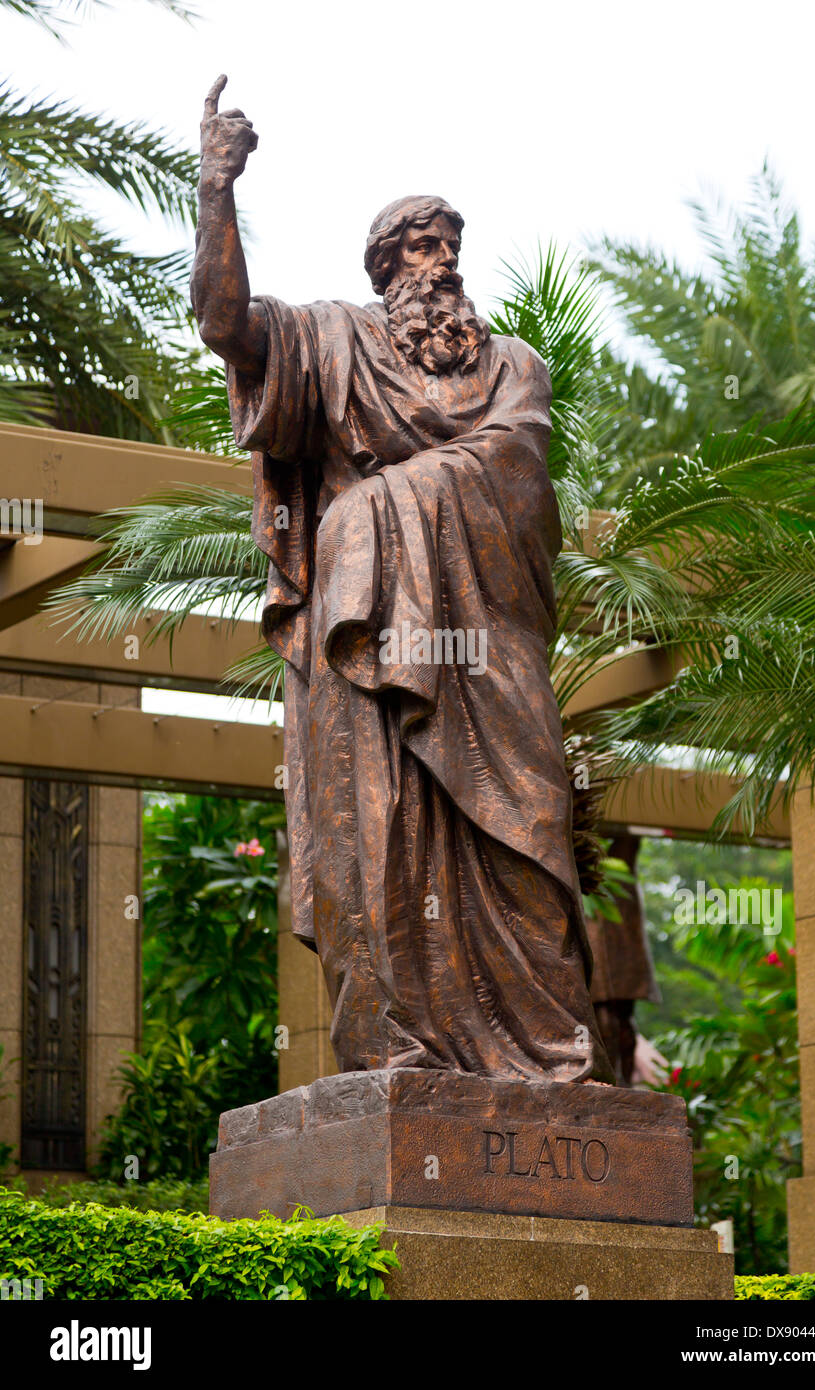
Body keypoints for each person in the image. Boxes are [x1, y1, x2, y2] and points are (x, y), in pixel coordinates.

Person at [191, 77, 614, 1085]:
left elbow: (516, 474)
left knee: (523, 830)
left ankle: (539, 1059)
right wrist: (215, 189)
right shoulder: (332, 341)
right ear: (387, 267)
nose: (446, 260)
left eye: (451, 243)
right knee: (373, 845)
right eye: (423, 245)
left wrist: (377, 506)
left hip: (485, 647)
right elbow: (224, 326)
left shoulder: (512, 365)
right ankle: (399, 1054)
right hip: (360, 644)